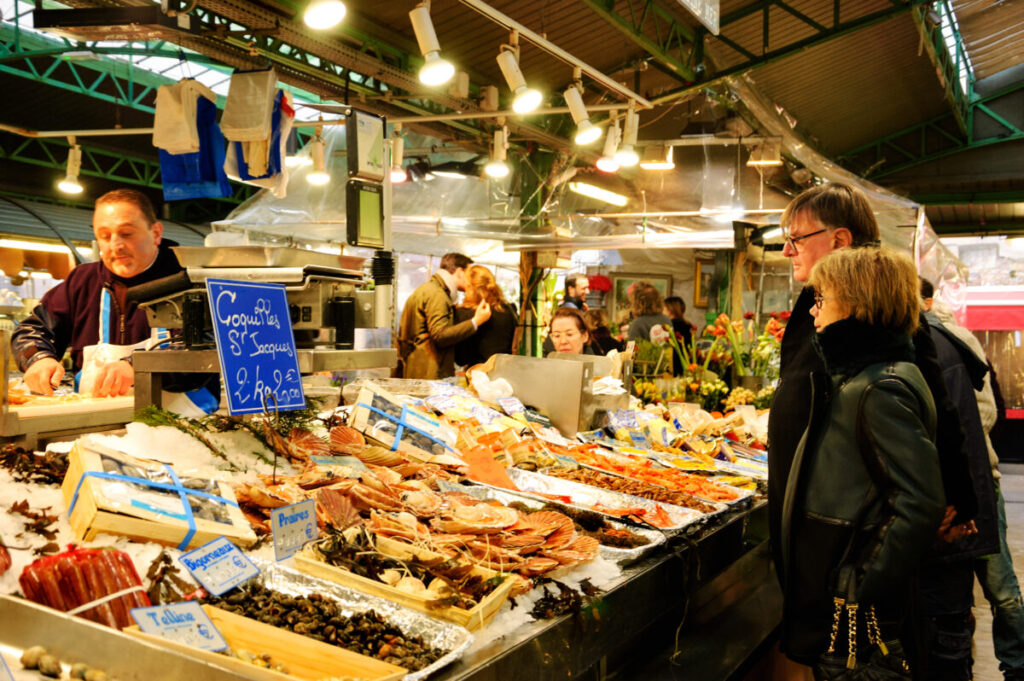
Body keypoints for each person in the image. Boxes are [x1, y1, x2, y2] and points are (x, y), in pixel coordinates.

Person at [767, 183, 976, 610]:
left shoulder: (874, 312)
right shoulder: (817, 303)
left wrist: (959, 499)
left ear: (839, 239)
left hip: (845, 535)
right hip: (813, 523)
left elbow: (937, 410)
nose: (787, 250)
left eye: (796, 238)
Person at [780, 246, 945, 668]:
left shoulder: (879, 386)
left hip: (848, 601)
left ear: (857, 303)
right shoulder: (862, 375)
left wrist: (861, 584)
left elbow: (920, 503)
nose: (814, 312)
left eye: (822, 299)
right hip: (834, 582)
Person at [923, 281, 1024, 681]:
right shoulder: (919, 340)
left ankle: (1016, 666)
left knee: (1000, 587)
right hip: (950, 489)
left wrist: (956, 451)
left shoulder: (953, 338)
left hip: (980, 483)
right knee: (960, 589)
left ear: (927, 300)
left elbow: (984, 413)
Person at [12, 189, 185, 398]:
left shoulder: (188, 282)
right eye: (105, 236)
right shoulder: (82, 282)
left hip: (183, 416)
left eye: (126, 234)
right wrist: (38, 358)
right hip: (95, 417)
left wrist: (138, 366)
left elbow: (204, 346)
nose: (115, 246)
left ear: (156, 233)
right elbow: (32, 329)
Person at [397, 253, 491, 380]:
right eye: (469, 274)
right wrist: (476, 321)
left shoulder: (429, 289)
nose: (470, 280)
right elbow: (440, 335)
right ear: (459, 272)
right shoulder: (438, 294)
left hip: (419, 367)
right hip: (429, 373)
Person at [453, 264, 517, 368]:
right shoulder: (509, 310)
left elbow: (461, 359)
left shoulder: (464, 314)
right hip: (504, 371)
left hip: (477, 373)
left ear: (469, 288)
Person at [663, 296, 693, 374]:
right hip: (686, 364)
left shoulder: (670, 326)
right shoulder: (688, 325)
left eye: (664, 308)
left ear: (670, 309)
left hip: (674, 364)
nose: (662, 311)